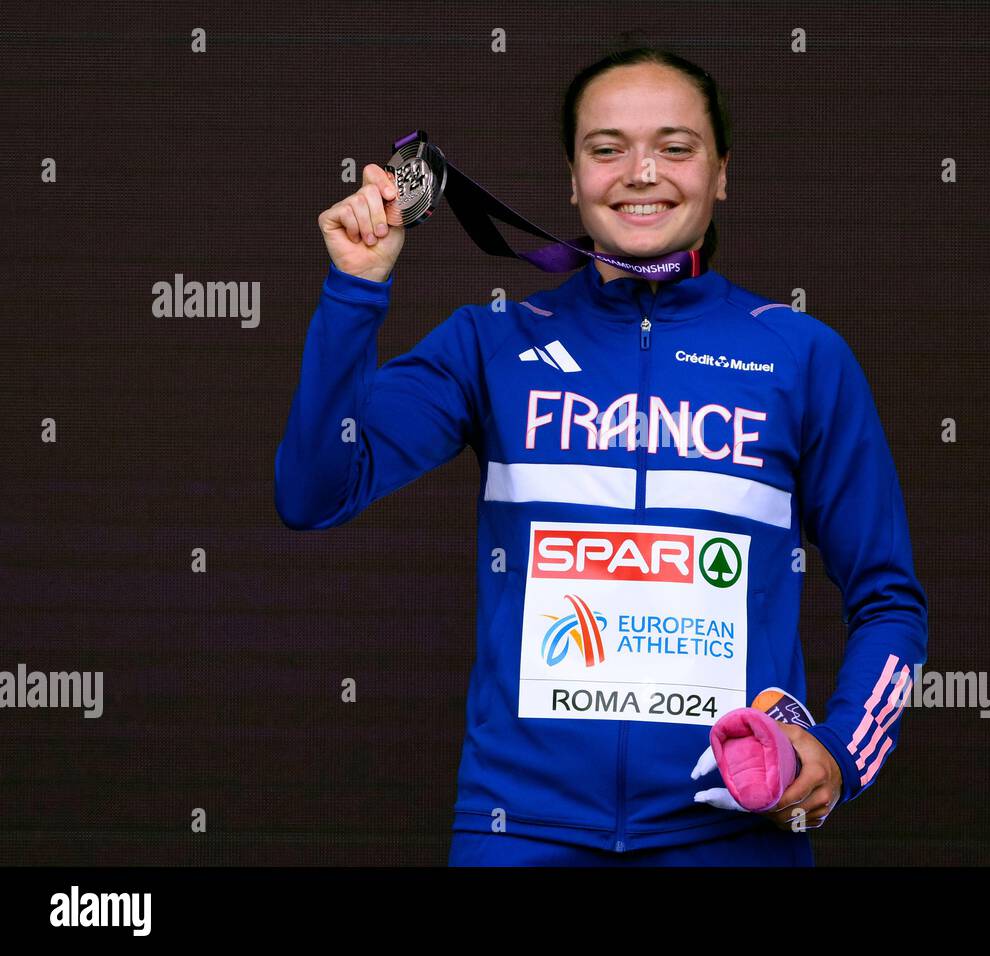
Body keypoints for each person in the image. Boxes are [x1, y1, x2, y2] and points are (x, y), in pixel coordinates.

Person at [274, 46, 929, 867]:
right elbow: (314, 490)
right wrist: (356, 290)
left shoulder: (799, 355)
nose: (641, 173)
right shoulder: (493, 343)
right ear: (573, 176)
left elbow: (890, 603)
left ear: (722, 173)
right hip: (520, 832)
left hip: (729, 837)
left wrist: (838, 753)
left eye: (676, 146)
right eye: (607, 147)